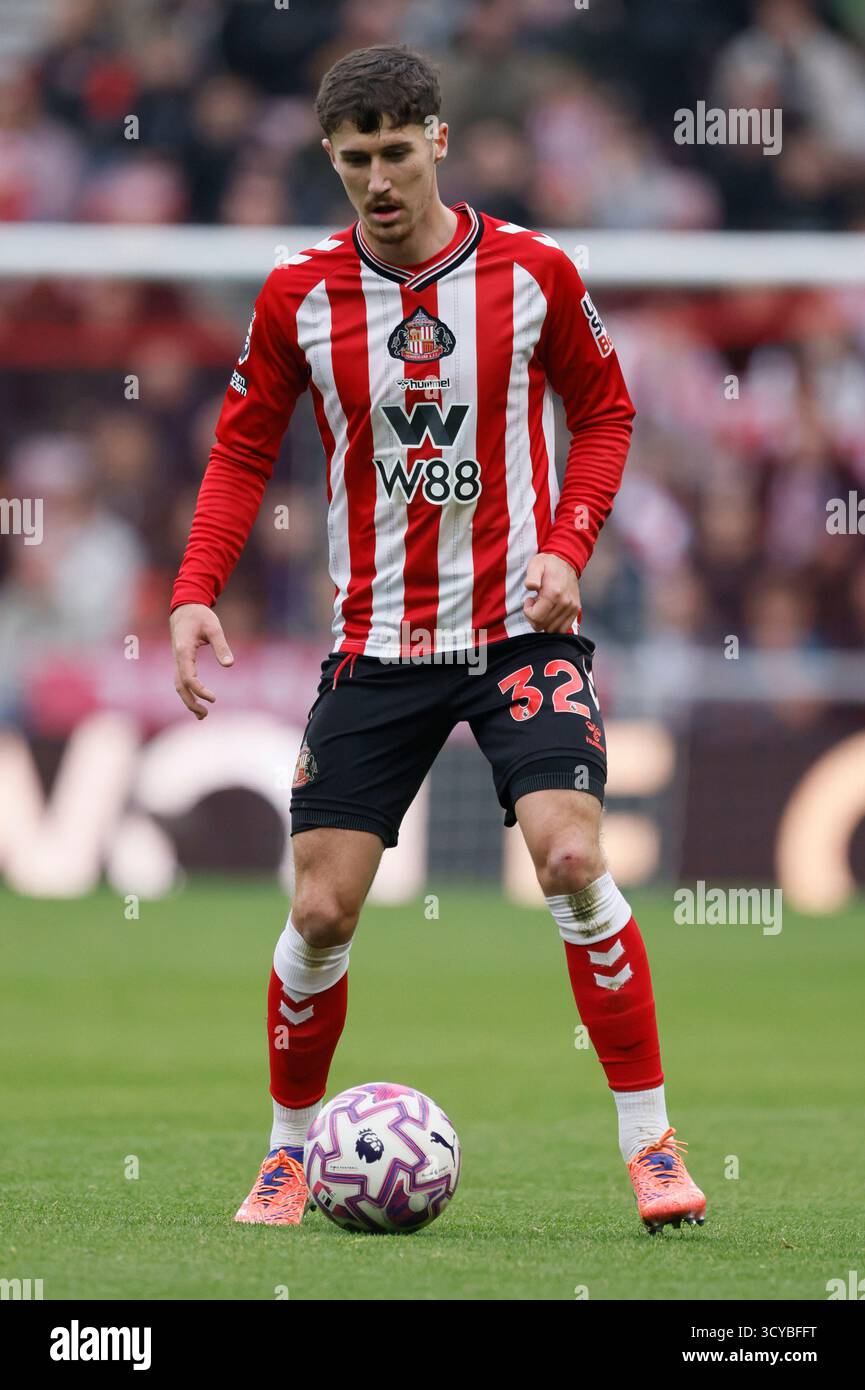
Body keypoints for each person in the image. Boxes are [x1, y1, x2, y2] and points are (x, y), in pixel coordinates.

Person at [169, 45, 706, 1235]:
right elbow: (244, 447)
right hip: (378, 640)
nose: (378, 180)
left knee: (571, 860)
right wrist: (197, 585)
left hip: (523, 628)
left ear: (439, 142)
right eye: (355, 159)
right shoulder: (298, 294)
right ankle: (286, 1157)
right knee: (321, 913)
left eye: (397, 153)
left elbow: (607, 408)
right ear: (331, 156)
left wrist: (570, 539)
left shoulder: (535, 273)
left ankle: (653, 1146)